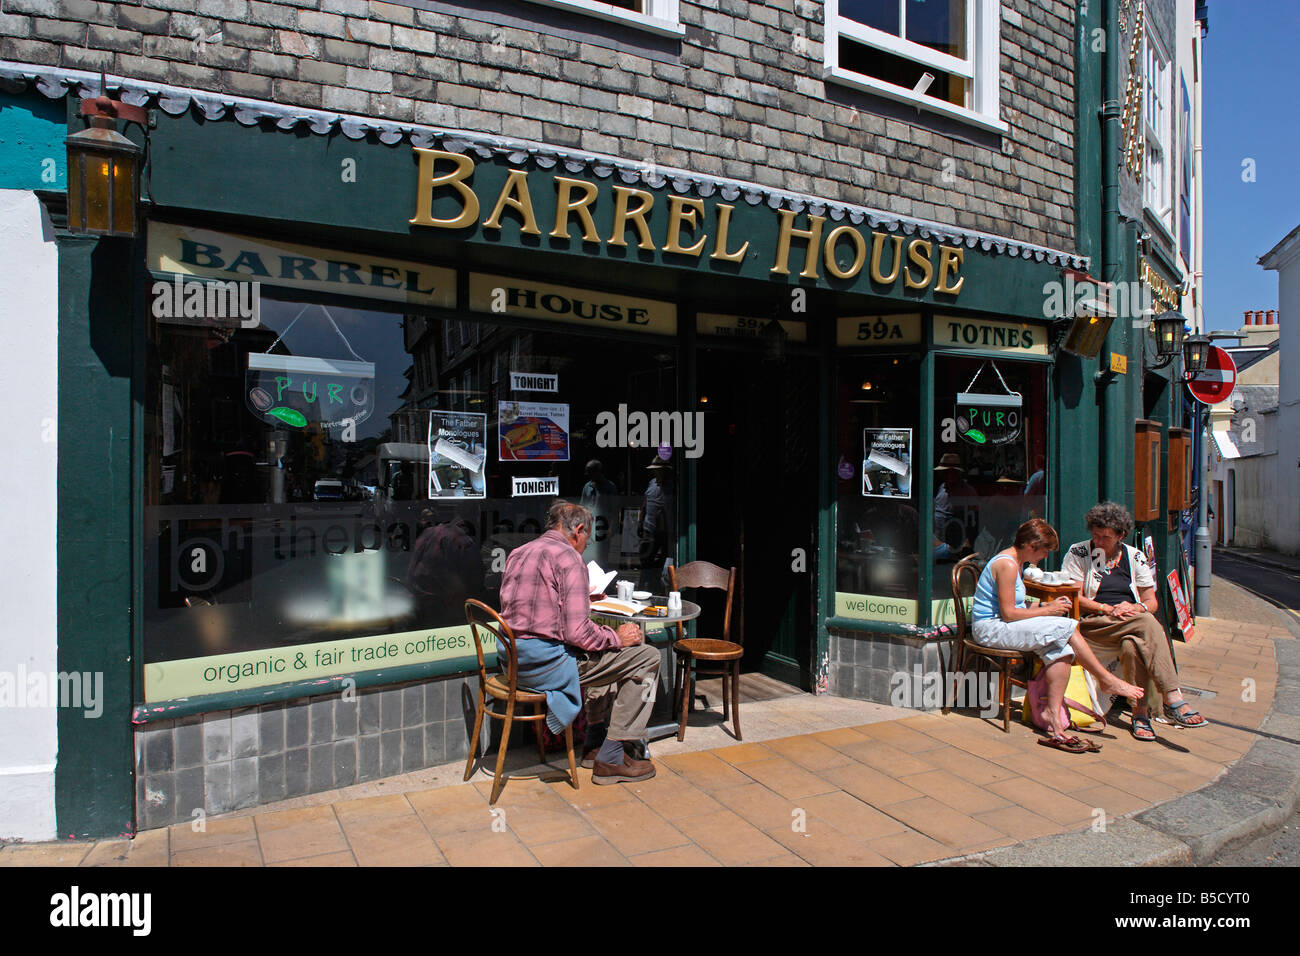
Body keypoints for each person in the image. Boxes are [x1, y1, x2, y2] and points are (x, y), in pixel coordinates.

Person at [500, 500, 661, 785]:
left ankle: (593, 743)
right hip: (545, 666)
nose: (585, 546)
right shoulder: (569, 558)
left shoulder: (519, 552)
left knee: (604, 652)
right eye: (586, 539)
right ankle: (611, 756)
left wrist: (579, 598)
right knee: (644, 655)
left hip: (514, 662)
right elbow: (578, 634)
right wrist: (617, 637)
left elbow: (532, 609)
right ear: (579, 530)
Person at [971, 518, 1145, 752]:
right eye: (1043, 552)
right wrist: (1048, 609)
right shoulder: (1008, 565)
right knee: (1069, 627)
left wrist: (1045, 607)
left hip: (1001, 624)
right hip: (990, 629)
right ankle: (1106, 679)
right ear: (1031, 546)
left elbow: (1015, 608)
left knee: (1063, 649)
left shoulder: (1017, 562)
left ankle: (1052, 717)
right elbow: (1009, 613)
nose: (1043, 558)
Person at [1061, 502, 1209, 741]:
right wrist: (1105, 607)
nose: (1099, 542)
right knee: (1148, 623)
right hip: (1095, 624)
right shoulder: (1080, 552)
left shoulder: (1136, 557)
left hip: (1129, 622)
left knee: (1133, 643)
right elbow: (1074, 596)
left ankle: (1140, 716)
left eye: (1106, 537)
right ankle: (1172, 696)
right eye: (1095, 535)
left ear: (1121, 535)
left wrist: (1135, 607)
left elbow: (1150, 601)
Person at [637, 460, 675, 590]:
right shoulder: (652, 483)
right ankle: (644, 587)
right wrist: (640, 521)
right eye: (655, 469)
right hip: (649, 528)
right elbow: (645, 502)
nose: (656, 471)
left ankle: (657, 587)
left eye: (658, 469)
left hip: (665, 530)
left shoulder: (672, 486)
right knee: (645, 558)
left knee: (663, 561)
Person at [579, 459, 618, 566]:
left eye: (590, 472)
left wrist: (611, 528)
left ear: (597, 471)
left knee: (602, 556)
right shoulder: (587, 487)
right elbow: (582, 507)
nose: (588, 475)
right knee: (588, 554)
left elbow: (615, 509)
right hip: (589, 526)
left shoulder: (610, 487)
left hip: (603, 527)